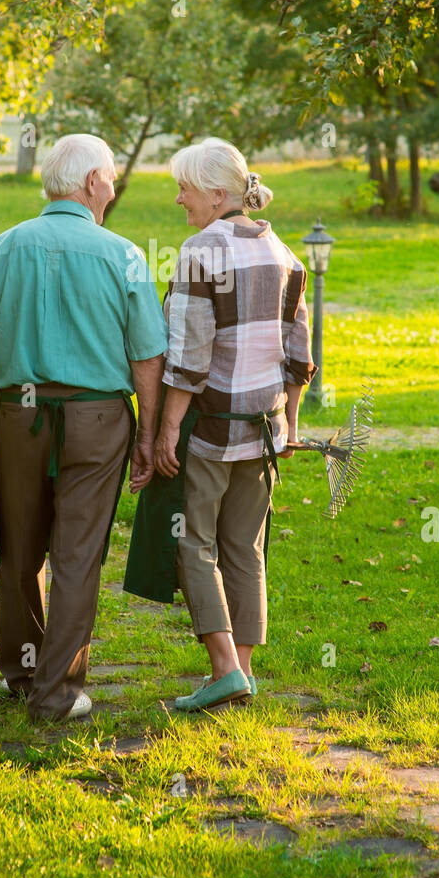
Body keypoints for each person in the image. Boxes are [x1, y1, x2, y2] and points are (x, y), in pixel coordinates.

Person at [0, 134, 166, 721]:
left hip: (18, 415)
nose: (114, 186)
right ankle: (58, 692)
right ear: (93, 182)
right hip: (98, 418)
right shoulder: (124, 254)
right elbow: (148, 356)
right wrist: (148, 434)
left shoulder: (5, 246)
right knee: (77, 554)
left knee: (19, 549)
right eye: (112, 176)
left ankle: (23, 674)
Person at [124, 137, 316, 711]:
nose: (178, 197)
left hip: (211, 430)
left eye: (184, 186)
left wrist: (162, 432)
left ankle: (225, 668)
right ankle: (243, 673)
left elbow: (187, 355)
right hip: (265, 428)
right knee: (246, 548)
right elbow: (298, 353)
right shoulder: (284, 252)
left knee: (193, 543)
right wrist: (290, 427)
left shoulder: (200, 251)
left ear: (214, 193)